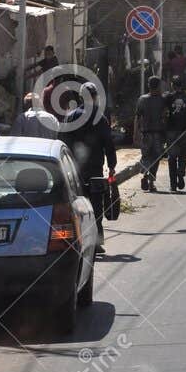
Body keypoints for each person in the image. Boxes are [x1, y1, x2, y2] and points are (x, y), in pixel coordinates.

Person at [66, 84, 117, 252]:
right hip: (95, 169)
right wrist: (112, 165)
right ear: (95, 97)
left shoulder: (71, 117)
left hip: (75, 170)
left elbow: (63, 141)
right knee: (96, 205)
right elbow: (108, 143)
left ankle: (78, 241)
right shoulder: (100, 118)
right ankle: (95, 242)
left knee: (77, 204)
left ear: (81, 97)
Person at [135, 77, 169, 192]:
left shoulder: (142, 99)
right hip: (158, 133)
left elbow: (137, 117)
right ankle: (151, 182)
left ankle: (145, 175)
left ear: (149, 86)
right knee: (156, 157)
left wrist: (135, 133)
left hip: (146, 133)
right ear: (158, 86)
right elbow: (165, 115)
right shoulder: (162, 100)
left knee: (146, 156)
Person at [165, 77, 186, 192]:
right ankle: (180, 173)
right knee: (182, 155)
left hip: (171, 130)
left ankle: (173, 185)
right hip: (183, 130)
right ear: (182, 85)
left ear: (172, 85)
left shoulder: (168, 97)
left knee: (172, 158)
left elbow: (164, 112)